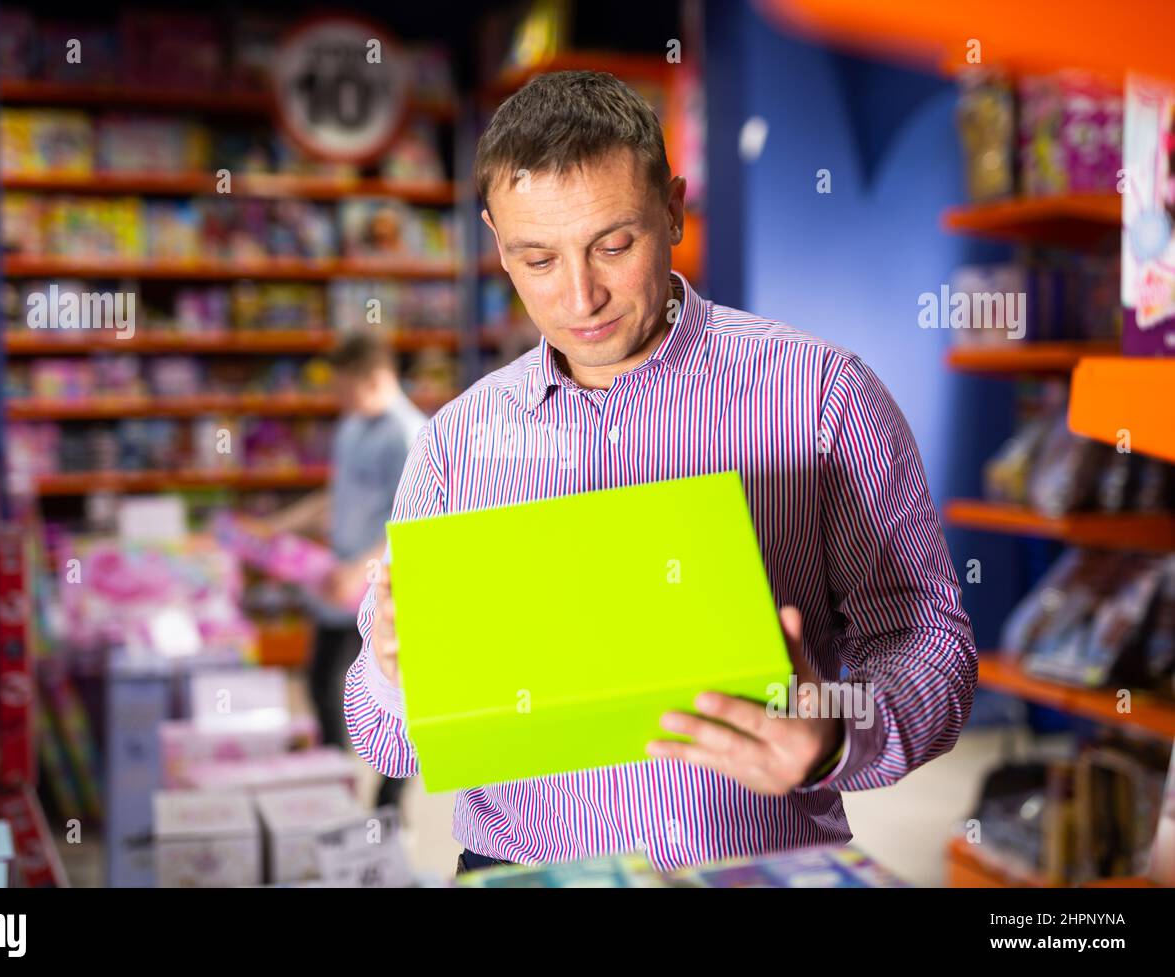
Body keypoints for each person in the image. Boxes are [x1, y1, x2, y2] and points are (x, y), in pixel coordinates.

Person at [345, 71, 977, 874]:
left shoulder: (821, 395)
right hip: (523, 869)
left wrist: (839, 731)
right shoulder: (454, 444)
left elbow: (931, 643)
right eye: (538, 258)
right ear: (498, 246)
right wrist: (396, 674)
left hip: (756, 866)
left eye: (614, 244)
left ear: (674, 208)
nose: (581, 295)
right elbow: (384, 740)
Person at [264, 333, 425, 811]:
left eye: (345, 388)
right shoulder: (351, 427)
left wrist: (363, 569)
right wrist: (275, 527)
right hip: (338, 589)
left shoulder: (411, 434)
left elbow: (414, 518)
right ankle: (337, 782)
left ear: (375, 378)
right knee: (320, 681)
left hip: (384, 588)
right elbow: (333, 499)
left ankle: (389, 810)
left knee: (398, 699)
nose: (339, 399)